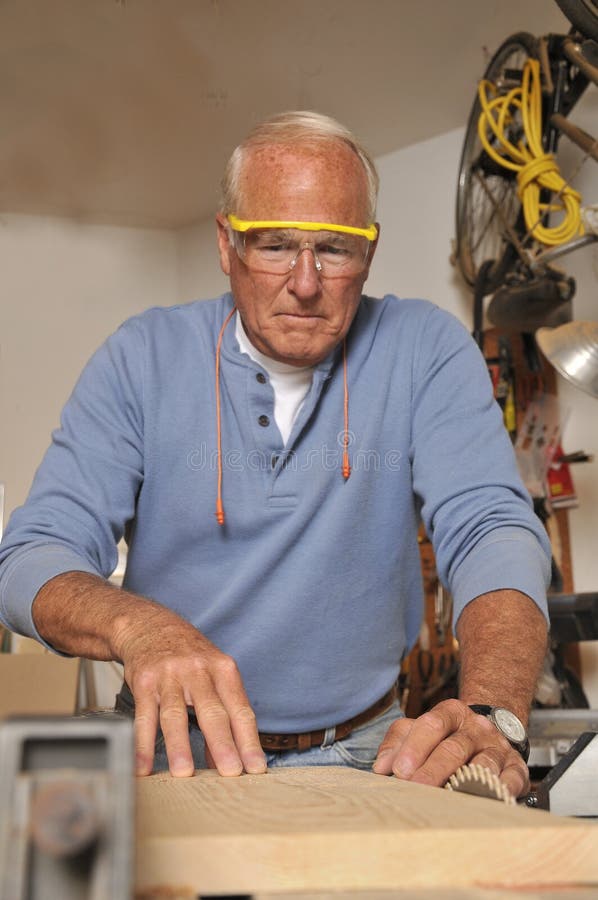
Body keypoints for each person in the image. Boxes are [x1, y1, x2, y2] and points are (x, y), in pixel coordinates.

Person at [0, 111, 551, 797]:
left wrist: (494, 712)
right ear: (226, 243)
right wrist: (139, 628)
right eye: (275, 245)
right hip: (173, 743)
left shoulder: (426, 348)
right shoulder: (141, 357)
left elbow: (491, 529)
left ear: (370, 252)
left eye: (336, 249)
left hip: (367, 750)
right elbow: (30, 556)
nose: (306, 281)